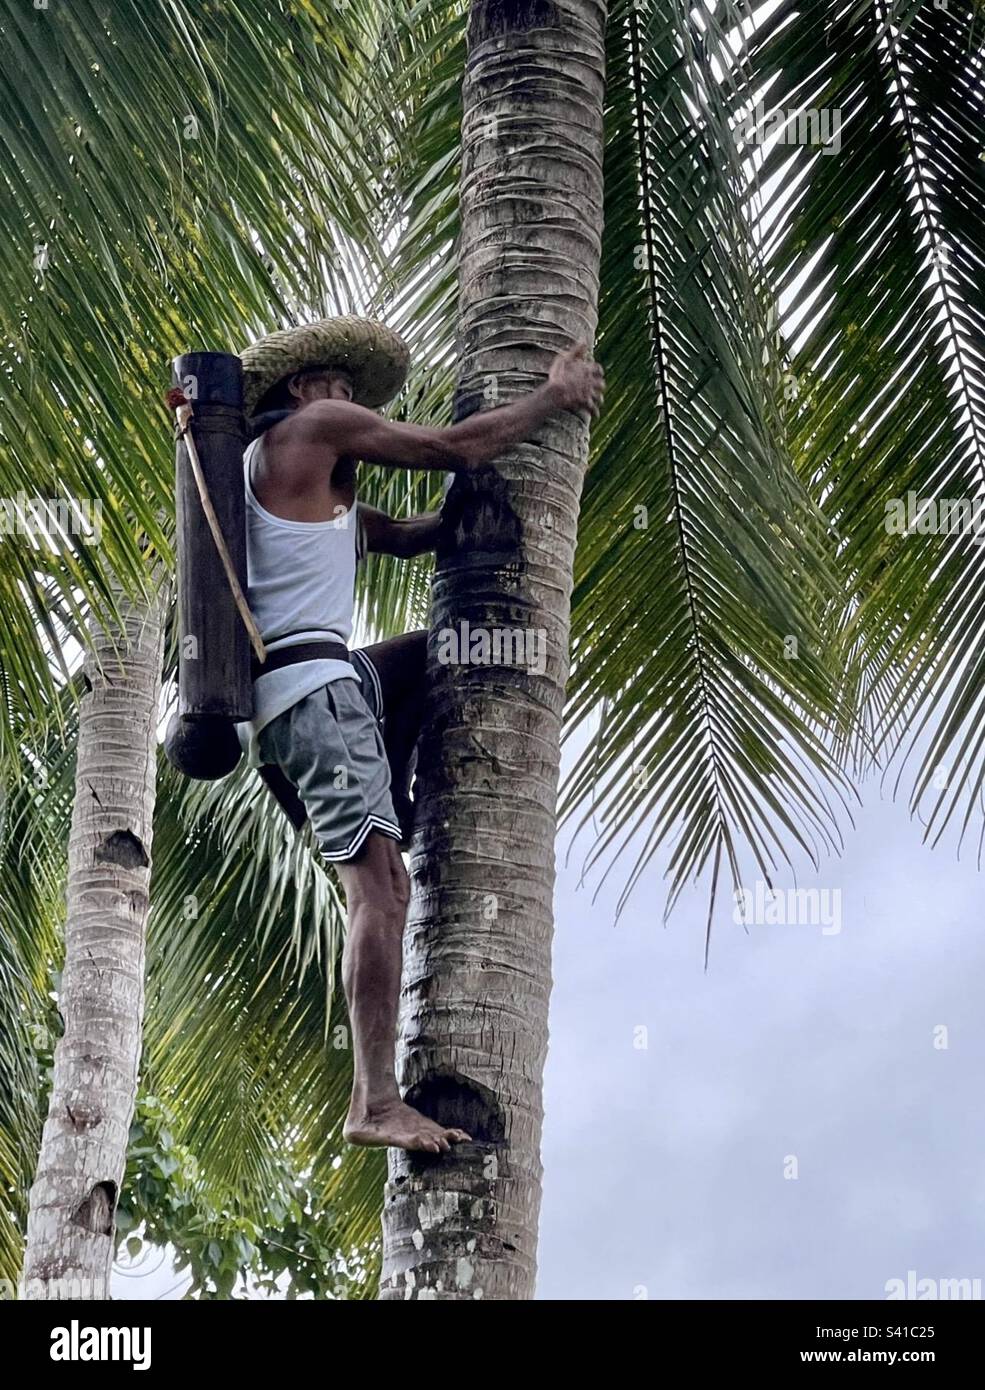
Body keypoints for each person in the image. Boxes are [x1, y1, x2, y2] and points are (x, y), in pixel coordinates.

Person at [237, 316, 604, 1152]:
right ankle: (373, 1102)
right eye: (343, 388)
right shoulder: (311, 429)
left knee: (447, 652)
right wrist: (551, 397)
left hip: (325, 684)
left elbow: (397, 536)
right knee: (381, 891)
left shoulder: (298, 485)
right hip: (312, 694)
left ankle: (393, 786)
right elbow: (454, 446)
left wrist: (463, 528)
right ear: (304, 389)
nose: (355, 406)